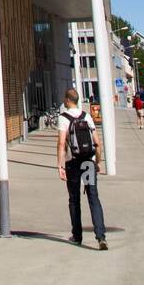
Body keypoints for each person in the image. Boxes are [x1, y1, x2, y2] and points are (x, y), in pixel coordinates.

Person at [57, 87, 107, 250]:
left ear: (67, 100)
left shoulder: (63, 118)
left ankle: (77, 235)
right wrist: (97, 162)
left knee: (74, 199)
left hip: (73, 163)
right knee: (93, 197)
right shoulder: (86, 117)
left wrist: (60, 165)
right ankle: (101, 237)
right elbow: (97, 143)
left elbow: (61, 143)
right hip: (88, 162)